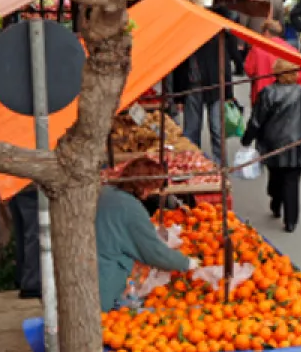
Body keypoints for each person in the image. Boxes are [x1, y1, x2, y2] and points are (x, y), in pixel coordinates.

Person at [96, 158, 198, 312]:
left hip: (89, 271)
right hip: (105, 283)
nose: (151, 194)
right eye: (152, 188)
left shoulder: (105, 192)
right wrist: (187, 263)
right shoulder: (131, 208)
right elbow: (153, 252)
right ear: (144, 187)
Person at [242, 60, 301, 232]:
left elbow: (257, 120)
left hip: (273, 143)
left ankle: (276, 202)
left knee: (275, 176)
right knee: (292, 181)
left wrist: (246, 139)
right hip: (297, 142)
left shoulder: (268, 92)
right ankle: (291, 220)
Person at [173, 36, 234, 164]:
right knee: (192, 130)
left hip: (215, 86)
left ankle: (220, 165)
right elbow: (179, 67)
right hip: (192, 85)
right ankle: (192, 162)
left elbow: (225, 64)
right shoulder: (187, 38)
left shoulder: (217, 37)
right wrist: (178, 96)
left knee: (216, 129)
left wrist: (228, 93)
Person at [244, 20, 301, 105]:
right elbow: (300, 76)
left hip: (262, 95)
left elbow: (249, 70)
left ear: (266, 32)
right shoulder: (291, 49)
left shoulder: (257, 48)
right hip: (288, 97)